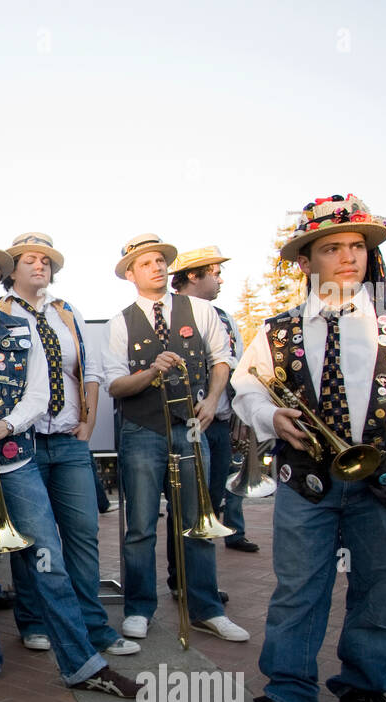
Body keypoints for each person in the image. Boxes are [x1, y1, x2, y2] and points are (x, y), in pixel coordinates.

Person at [233, 194, 386, 702]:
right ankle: (289, 691)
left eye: (357, 247)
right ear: (306, 261)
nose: (348, 257)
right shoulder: (276, 329)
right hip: (308, 479)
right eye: (333, 247)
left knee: (379, 587)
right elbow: (246, 386)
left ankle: (364, 690)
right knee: (297, 586)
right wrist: (271, 415)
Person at [0, 234, 143, 697]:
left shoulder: (24, 329)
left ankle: (82, 663)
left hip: (15, 459)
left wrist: (9, 423)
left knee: (48, 558)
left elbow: (39, 393)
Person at [0, 231, 137, 657]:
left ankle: (93, 624)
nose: (40, 266)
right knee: (34, 539)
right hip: (22, 443)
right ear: (13, 269)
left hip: (69, 440)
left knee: (83, 532)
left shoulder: (67, 312)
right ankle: (35, 620)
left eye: (46, 261)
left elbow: (90, 371)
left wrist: (88, 422)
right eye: (30, 260)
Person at [106, 234, 250, 644]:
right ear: (130, 273)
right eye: (146, 262)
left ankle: (207, 609)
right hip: (141, 429)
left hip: (191, 423)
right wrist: (152, 372)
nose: (156, 267)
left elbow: (222, 360)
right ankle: (138, 608)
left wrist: (213, 401)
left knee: (198, 520)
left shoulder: (203, 311)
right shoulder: (120, 322)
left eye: (160, 260)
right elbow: (116, 385)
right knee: (141, 526)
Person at [167, 246, 259, 554]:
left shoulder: (226, 318)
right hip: (188, 423)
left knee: (211, 505)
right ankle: (183, 580)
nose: (221, 281)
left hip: (220, 422)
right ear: (194, 275)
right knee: (187, 506)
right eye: (216, 274)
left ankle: (202, 580)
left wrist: (241, 416)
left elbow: (239, 368)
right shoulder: (168, 313)